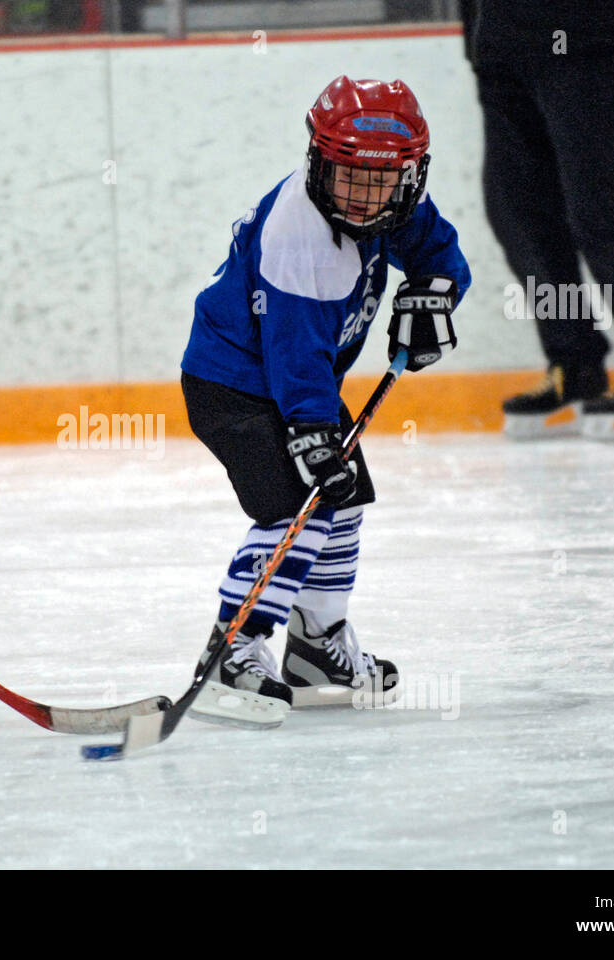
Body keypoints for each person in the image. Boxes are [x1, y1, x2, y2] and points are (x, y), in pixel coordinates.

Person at [179, 76, 471, 728]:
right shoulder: (298, 238)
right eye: (349, 178)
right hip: (237, 388)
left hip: (300, 385)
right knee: (297, 510)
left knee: (346, 502)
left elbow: (438, 255)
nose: (365, 199)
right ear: (319, 159)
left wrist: (433, 298)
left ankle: (317, 648)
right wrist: (311, 434)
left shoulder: (392, 195)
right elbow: (295, 354)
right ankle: (234, 649)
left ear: (408, 175)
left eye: (382, 182)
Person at [459, 0, 614, 439]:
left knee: (600, 202)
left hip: (578, 24)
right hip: (494, 36)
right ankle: (575, 363)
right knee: (522, 214)